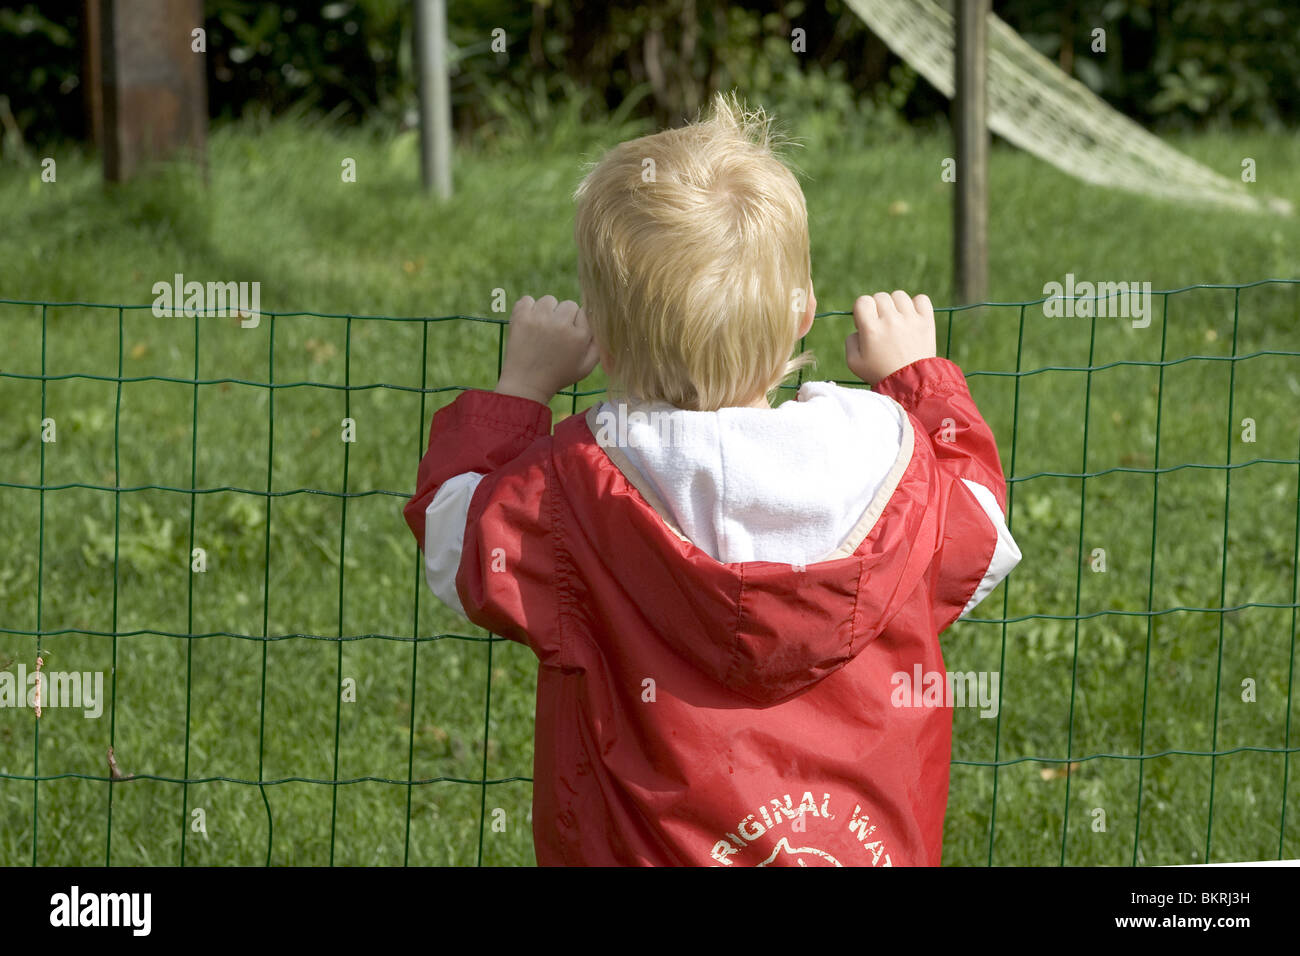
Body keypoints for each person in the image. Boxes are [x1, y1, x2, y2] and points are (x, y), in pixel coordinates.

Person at [403, 92, 1021, 866]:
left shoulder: (572, 491)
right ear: (804, 310)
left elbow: (450, 544)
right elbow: (983, 533)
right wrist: (921, 381)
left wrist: (519, 392)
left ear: (600, 329)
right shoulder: (890, 466)